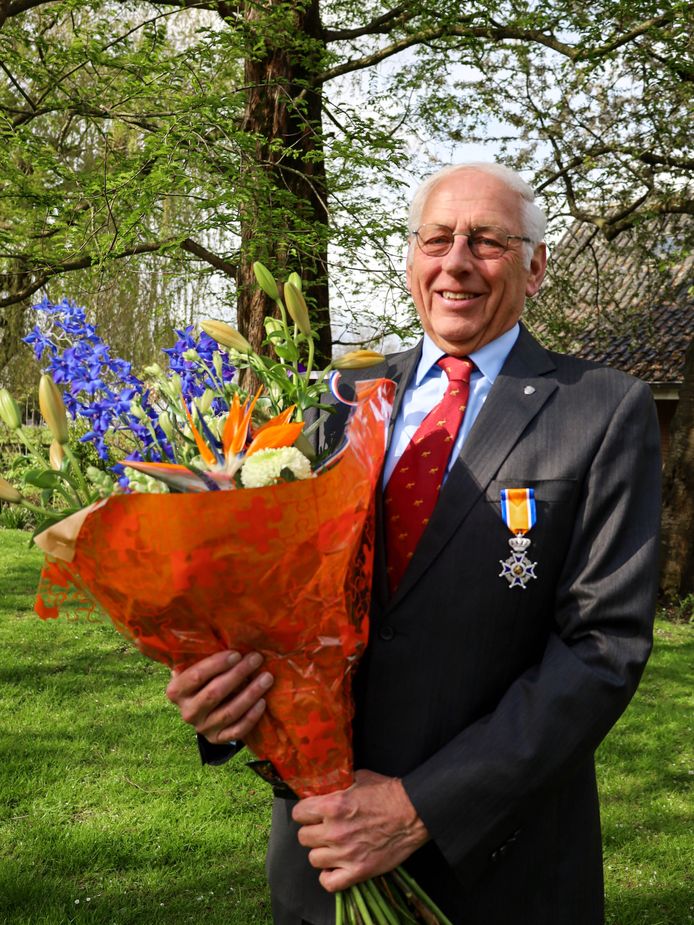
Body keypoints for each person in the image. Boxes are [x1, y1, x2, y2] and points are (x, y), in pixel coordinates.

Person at [166, 163, 661, 925]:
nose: (456, 260)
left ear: (535, 267)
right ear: (410, 260)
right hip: (321, 855)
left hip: (501, 867)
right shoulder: (334, 398)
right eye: (437, 238)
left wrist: (418, 806)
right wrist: (224, 691)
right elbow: (273, 600)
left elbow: (602, 648)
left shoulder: (599, 410)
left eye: (487, 241)